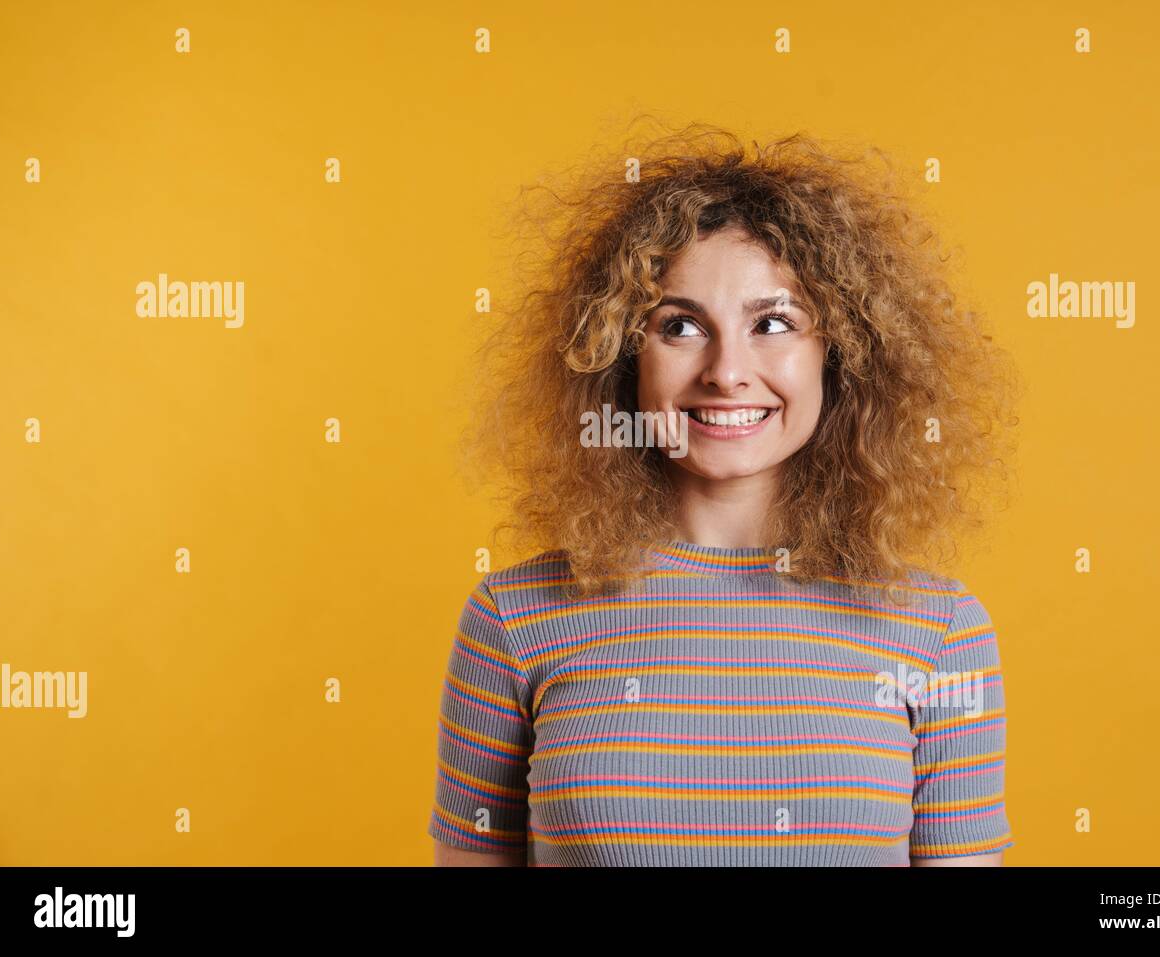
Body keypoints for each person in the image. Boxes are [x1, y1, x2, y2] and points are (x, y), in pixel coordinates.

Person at [428, 121, 1021, 866]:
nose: (727, 371)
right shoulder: (512, 622)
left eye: (773, 322)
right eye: (680, 327)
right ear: (621, 359)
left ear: (839, 357)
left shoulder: (943, 635)